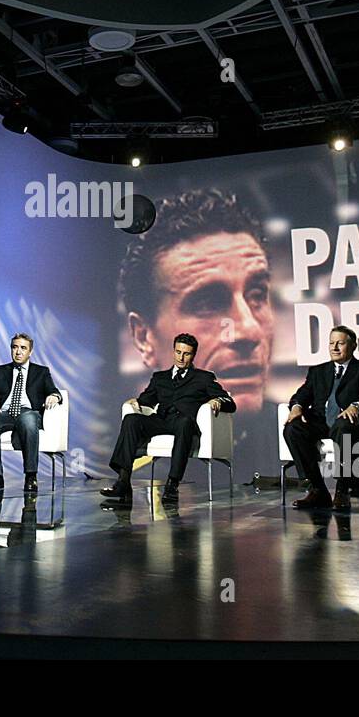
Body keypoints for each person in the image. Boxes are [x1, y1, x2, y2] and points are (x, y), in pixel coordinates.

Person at [118, 189, 272, 419]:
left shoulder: (308, 435)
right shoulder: (125, 449)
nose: (249, 331)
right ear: (144, 337)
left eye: (257, 295)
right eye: (207, 304)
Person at [100, 332, 235, 505]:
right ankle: (123, 480)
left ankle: (172, 485)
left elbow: (230, 402)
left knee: (185, 423)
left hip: (184, 422)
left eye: (186, 354)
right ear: (173, 351)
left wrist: (217, 400)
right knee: (131, 419)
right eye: (178, 352)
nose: (181, 357)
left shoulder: (203, 378)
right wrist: (136, 402)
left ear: (193, 355)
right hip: (161, 420)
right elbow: (146, 400)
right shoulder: (160, 377)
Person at [284, 326, 359, 510]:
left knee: (343, 426)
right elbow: (302, 394)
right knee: (293, 428)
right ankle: (317, 490)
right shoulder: (318, 371)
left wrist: (356, 405)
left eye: (340, 343)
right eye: (331, 343)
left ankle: (342, 489)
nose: (335, 348)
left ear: (353, 345)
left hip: (348, 422)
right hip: (321, 422)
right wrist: (297, 407)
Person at [0, 333, 61, 493]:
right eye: (15, 347)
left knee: (28, 419)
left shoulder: (41, 372)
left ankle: (30, 476)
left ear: (30, 352)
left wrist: (53, 396)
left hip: (28, 412)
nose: (18, 352)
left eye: (23, 348)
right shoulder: (0, 371)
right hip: (5, 412)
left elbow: (54, 390)